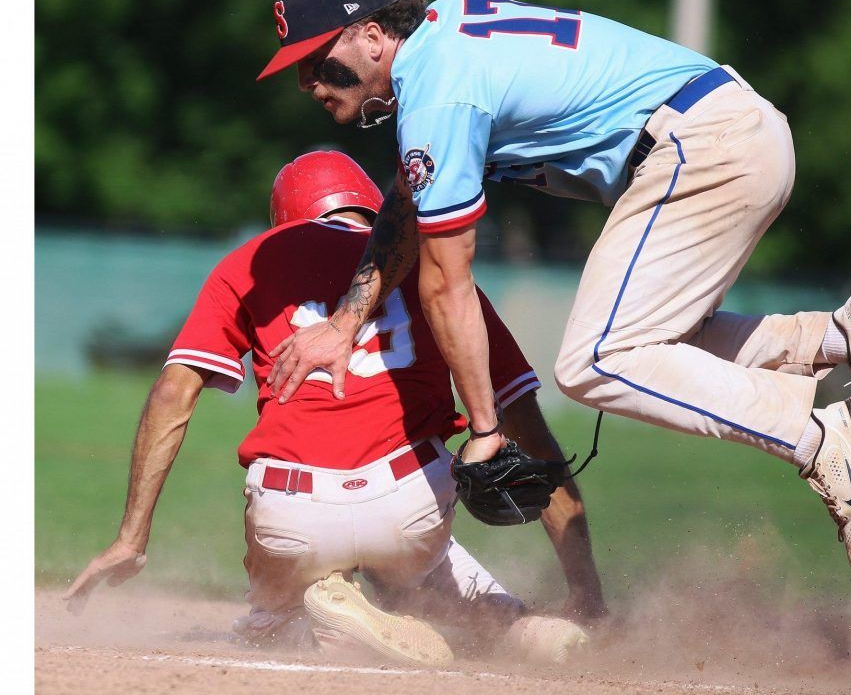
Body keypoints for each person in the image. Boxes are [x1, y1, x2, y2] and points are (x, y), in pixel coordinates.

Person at [257, 0, 851, 577]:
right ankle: (846, 338)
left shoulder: (436, 88)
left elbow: (445, 280)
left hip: (698, 147)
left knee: (595, 360)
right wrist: (347, 322)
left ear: (374, 36)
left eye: (318, 61)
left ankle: (817, 439)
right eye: (299, 71)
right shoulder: (444, 38)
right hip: (733, 131)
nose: (309, 84)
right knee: (655, 350)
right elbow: (407, 208)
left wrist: (484, 432)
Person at [62, 150, 604, 666]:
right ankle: (527, 627)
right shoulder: (436, 272)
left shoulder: (250, 262)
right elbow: (525, 425)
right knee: (421, 563)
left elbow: (173, 394)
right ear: (374, 208)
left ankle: (300, 626)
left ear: (282, 220)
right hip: (411, 504)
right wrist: (585, 587)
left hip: (293, 509)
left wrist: (131, 537)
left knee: (272, 628)